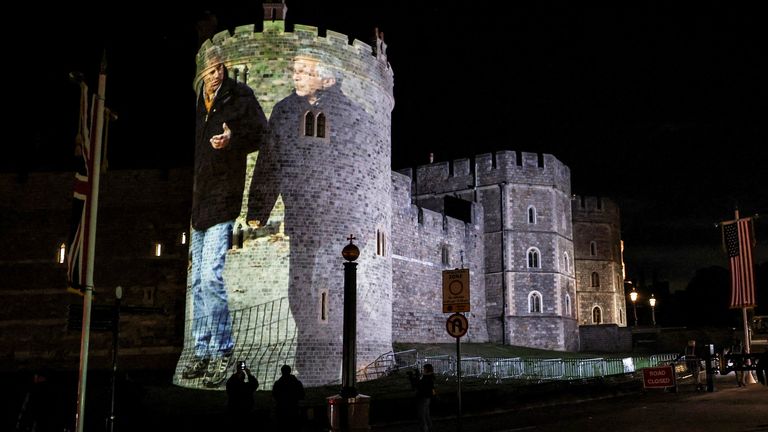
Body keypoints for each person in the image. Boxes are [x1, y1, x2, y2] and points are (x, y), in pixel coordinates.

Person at [182, 45, 268, 388]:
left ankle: (221, 352)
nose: (215, 75)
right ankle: (201, 352)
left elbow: (261, 132)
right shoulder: (199, 105)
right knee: (198, 283)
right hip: (200, 205)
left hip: (223, 199)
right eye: (209, 70)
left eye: (219, 69)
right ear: (201, 72)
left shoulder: (239, 96)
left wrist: (233, 138)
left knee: (212, 277)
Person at [226, 361, 259, 428]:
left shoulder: (232, 386)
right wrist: (249, 374)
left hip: (234, 411)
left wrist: (236, 374)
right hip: (246, 410)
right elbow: (255, 384)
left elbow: (229, 384)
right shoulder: (246, 387)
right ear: (244, 378)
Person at [272, 364, 305, 432]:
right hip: (294, 409)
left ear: (282, 372)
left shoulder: (278, 384)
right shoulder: (297, 383)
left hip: (281, 410)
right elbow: (302, 395)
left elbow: (275, 396)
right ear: (290, 371)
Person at [408, 363, 435, 432]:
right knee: (426, 415)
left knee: (422, 416)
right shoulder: (430, 377)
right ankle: (430, 427)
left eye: (424, 369)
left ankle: (425, 429)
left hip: (422, 398)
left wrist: (412, 377)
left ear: (426, 369)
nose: (423, 370)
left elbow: (418, 385)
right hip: (427, 398)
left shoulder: (427, 378)